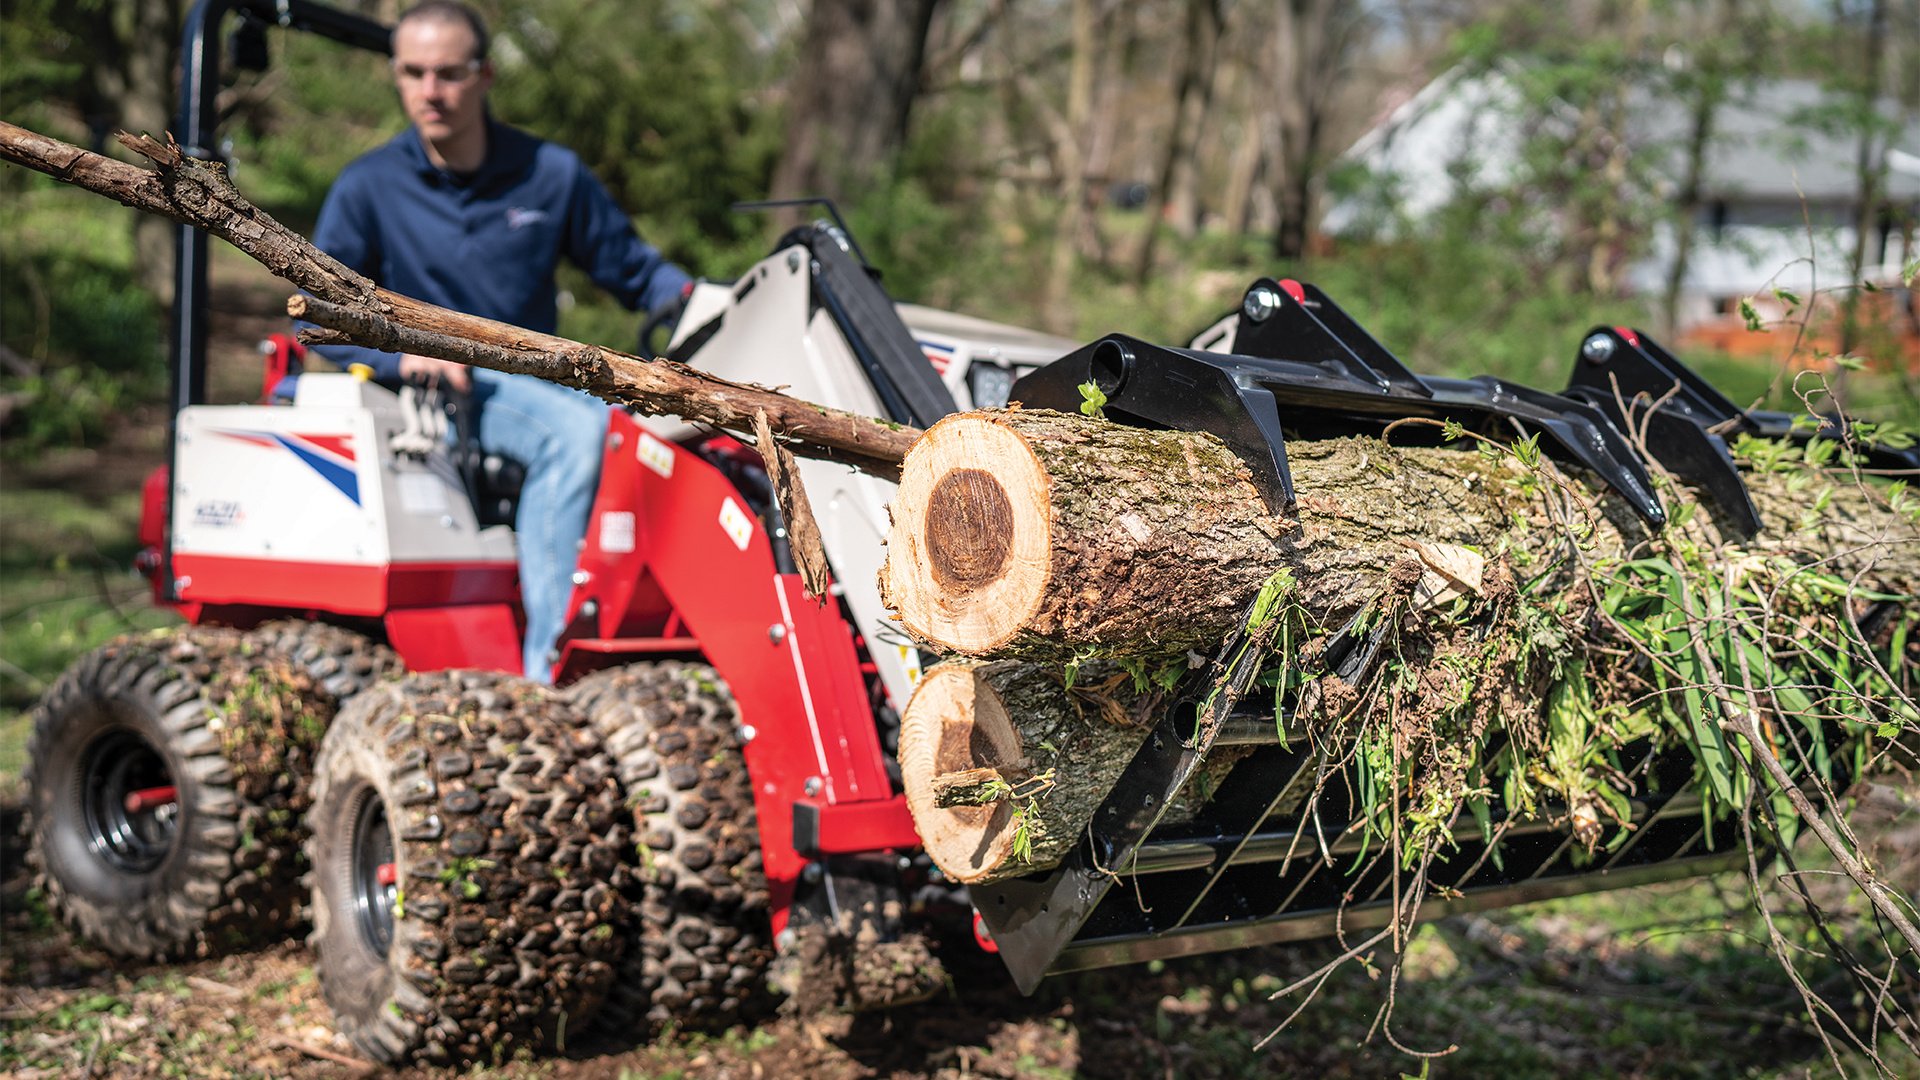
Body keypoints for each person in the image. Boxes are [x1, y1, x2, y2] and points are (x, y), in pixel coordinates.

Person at [308, 0, 690, 683]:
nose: (431, 91)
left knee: (659, 439)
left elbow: (635, 271)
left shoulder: (549, 173)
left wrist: (703, 305)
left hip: (540, 381)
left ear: (485, 75)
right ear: (397, 76)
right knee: (576, 438)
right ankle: (551, 672)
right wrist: (402, 355)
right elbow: (322, 316)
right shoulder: (368, 186)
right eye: (415, 73)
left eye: (450, 73)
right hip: (438, 400)